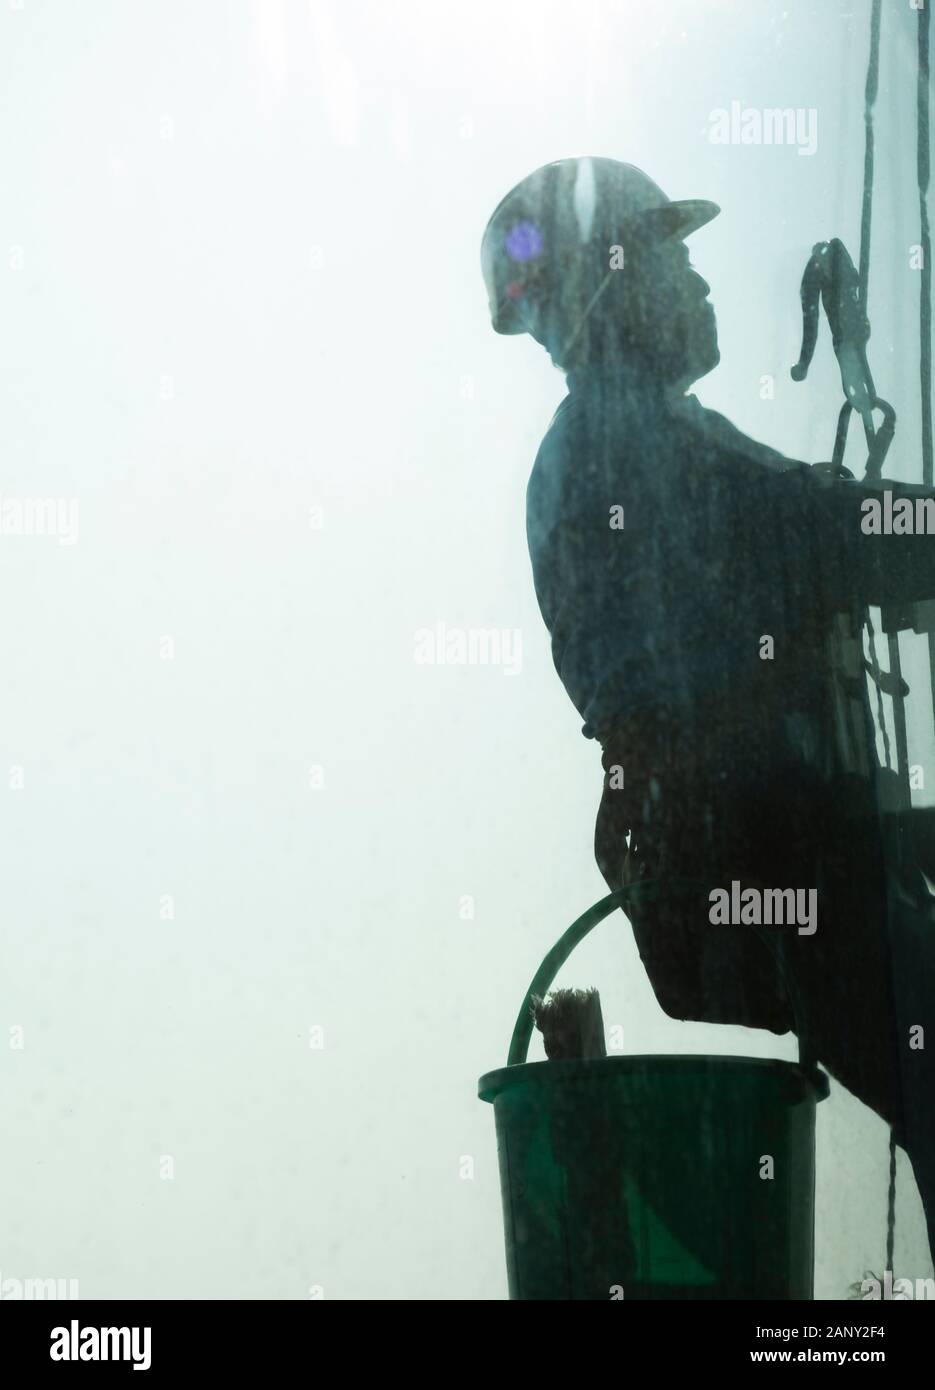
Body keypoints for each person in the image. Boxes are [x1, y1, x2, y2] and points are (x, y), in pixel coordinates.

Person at [481, 156, 935, 1261]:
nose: (700, 283)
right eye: (672, 257)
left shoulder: (638, 440)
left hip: (784, 868)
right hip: (766, 878)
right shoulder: (616, 446)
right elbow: (815, 532)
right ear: (604, 285)